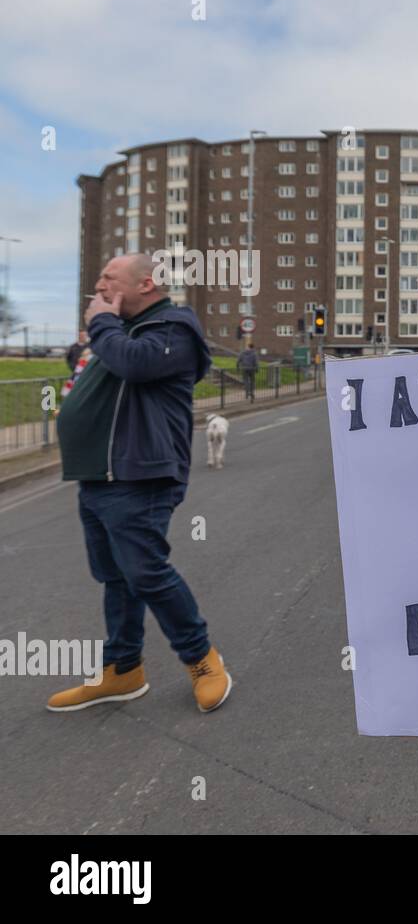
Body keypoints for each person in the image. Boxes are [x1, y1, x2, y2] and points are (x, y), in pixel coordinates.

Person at [47, 253, 230, 714]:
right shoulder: (120, 331)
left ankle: (202, 659)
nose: (98, 285)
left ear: (145, 284)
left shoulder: (172, 328)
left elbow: (134, 365)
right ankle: (122, 670)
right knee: (116, 576)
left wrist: (102, 325)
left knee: (146, 571)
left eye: (108, 277)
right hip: (98, 476)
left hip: (141, 473)